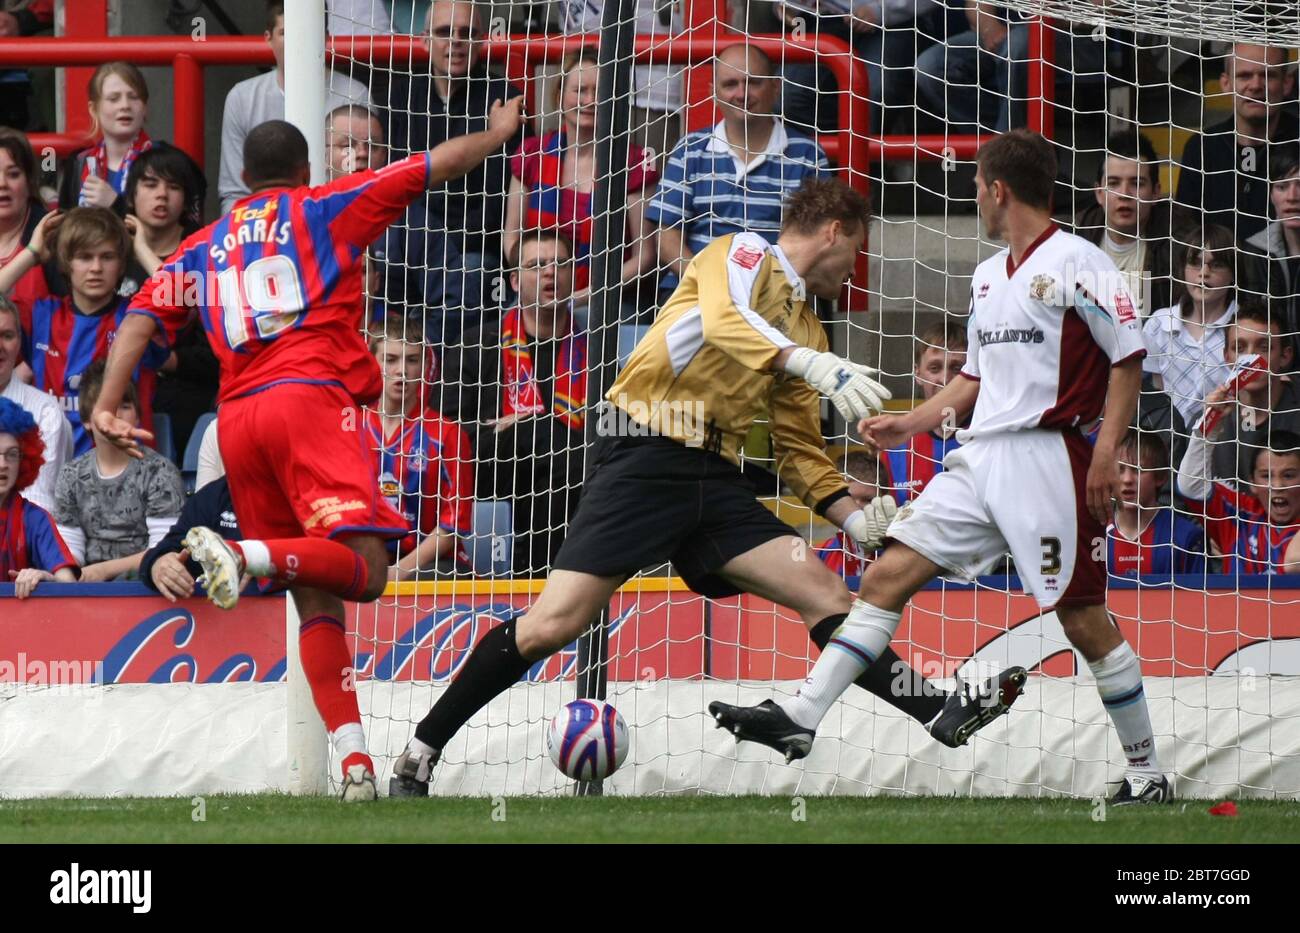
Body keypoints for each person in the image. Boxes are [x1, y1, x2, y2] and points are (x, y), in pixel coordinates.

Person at [387, 177, 1025, 798]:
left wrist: (855, 521)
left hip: (714, 482)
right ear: (835, 231)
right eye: (857, 248)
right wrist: (810, 363)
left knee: (823, 588)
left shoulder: (807, 329)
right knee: (553, 625)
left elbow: (797, 447)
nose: (855, 267)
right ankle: (422, 749)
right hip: (643, 457)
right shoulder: (742, 253)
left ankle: (935, 708)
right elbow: (725, 321)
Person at [710, 131, 1171, 806]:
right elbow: (973, 378)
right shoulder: (987, 275)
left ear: (998, 189)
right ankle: (801, 718)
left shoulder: (1083, 261)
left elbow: (1127, 357)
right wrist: (909, 423)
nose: (976, 197)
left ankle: (1147, 772)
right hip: (980, 456)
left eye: (979, 187)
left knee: (1081, 617)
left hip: (1050, 457)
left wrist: (1106, 454)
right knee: (884, 574)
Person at [92, 103, 526, 803]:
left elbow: (138, 319)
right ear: (302, 171)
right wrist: (500, 134)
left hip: (233, 422)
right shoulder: (324, 206)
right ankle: (243, 556)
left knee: (313, 594)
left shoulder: (202, 244)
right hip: (310, 403)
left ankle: (354, 765)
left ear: (241, 175)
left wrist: (108, 404)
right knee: (370, 570)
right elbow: (438, 163)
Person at [438, 229, 587, 574]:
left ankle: (536, 571)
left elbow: (615, 429)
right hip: (491, 468)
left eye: (560, 264)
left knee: (549, 445)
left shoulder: (597, 350)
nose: (551, 272)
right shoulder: (477, 343)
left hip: (568, 480)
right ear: (515, 282)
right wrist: (513, 430)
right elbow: (445, 430)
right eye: (538, 265)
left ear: (572, 275)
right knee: (537, 434)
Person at [647, 44, 828, 299]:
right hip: (697, 292)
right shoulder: (690, 149)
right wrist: (712, 286)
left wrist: (760, 292)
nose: (742, 94)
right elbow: (667, 239)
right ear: (714, 93)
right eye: (730, 84)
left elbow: (813, 242)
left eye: (753, 82)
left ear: (775, 87)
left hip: (776, 295)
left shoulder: (807, 155)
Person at [385, 0, 527, 308]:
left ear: (481, 39)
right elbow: (394, 179)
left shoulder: (505, 99)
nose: (456, 42)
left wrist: (444, 248)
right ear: (425, 39)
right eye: (445, 32)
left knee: (467, 272)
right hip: (412, 246)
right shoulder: (400, 95)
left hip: (475, 249)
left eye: (467, 32)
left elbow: (501, 196)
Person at [0, 206, 168, 456]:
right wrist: (33, 253)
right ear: (67, 263)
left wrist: (142, 250)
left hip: (127, 474)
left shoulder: (137, 317)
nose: (96, 268)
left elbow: (184, 297)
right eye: (84, 257)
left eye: (107, 256)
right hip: (50, 476)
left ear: (122, 264)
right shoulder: (41, 315)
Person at [503, 48, 659, 312]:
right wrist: (535, 284)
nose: (589, 100)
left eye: (599, 92)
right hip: (536, 299)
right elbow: (512, 238)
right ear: (560, 96)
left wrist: (584, 297)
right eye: (579, 90)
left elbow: (645, 256)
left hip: (608, 301)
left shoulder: (634, 163)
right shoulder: (531, 155)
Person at [325, 104, 471, 340]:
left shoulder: (415, 223)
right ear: (323, 153)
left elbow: (455, 303)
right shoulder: (301, 214)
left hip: (393, 365)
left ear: (384, 155)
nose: (361, 153)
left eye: (372, 146)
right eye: (348, 145)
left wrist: (408, 349)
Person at [218, 1, 371, 211]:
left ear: (325, 37)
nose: (297, 41)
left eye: (306, 31)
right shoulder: (242, 98)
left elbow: (364, 178)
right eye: (285, 33)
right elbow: (233, 192)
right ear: (268, 39)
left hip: (334, 215)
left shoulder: (354, 94)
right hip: (260, 224)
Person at [124, 146, 216, 458]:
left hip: (188, 396)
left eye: (173, 186)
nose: (161, 195)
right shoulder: (111, 249)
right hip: (123, 389)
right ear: (132, 193)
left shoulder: (205, 250)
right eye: (150, 185)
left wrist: (164, 360)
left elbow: (214, 351)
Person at [53, 361, 183, 582]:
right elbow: (69, 551)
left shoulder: (159, 472)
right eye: (106, 408)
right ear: (86, 420)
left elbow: (164, 551)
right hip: (87, 589)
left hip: (146, 585)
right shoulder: (71, 475)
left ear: (138, 416)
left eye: (124, 406)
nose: (116, 416)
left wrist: (102, 571)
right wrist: (71, 579)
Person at [364, 317, 473, 579]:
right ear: (372, 363)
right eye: (390, 359)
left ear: (425, 366)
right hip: (365, 558)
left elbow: (453, 525)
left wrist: (398, 572)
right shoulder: (349, 426)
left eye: (412, 360)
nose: (402, 370)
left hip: (431, 565)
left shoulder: (446, 433)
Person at [1175, 43, 1300, 243]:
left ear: (1287, 83)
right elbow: (1185, 231)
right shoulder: (1201, 148)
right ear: (1226, 83)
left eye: (1267, 75)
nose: (1256, 85)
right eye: (1244, 76)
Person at [1071, 130, 1180, 317]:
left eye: (1137, 183)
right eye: (1113, 183)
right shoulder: (1074, 236)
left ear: (1156, 193)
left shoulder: (1179, 246)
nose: (1124, 194)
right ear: (1099, 193)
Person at [1141, 226, 1238, 428]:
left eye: (1216, 265)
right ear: (1182, 270)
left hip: (1224, 438)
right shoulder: (1158, 324)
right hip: (1168, 440)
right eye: (1195, 263)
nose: (1203, 274)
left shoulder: (1244, 328)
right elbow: (1157, 393)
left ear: (1233, 274)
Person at [1178, 429, 1300, 574]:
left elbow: (1293, 563)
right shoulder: (1239, 515)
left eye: (1289, 475)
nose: (1278, 486)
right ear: (1252, 482)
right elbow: (1191, 485)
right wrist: (1211, 422)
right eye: (1266, 476)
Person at [1203, 306, 1300, 485]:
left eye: (1263, 347)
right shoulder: (1210, 419)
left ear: (1285, 356)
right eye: (1239, 348)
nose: (1251, 359)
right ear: (1227, 357)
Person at [880, 319, 965, 505]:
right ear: (917, 374)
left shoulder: (989, 437)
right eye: (934, 368)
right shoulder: (895, 447)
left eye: (957, 368)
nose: (945, 379)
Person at [0, 397, 77, 599]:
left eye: (12, 454)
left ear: (24, 460)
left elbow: (69, 584)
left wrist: (44, 578)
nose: (3, 464)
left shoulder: (34, 518)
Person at [0, 297, 71, 513]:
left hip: (19, 538)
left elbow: (37, 499)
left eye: (7, 336)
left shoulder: (44, 411)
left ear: (19, 342)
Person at [1107, 428, 1205, 578]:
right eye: (1120, 470)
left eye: (1138, 470)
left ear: (1160, 477)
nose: (1127, 479)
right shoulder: (1094, 536)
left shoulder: (1185, 536)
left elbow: (1200, 598)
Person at [58, 62, 154, 214]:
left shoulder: (165, 162)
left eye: (134, 97)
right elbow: (65, 229)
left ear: (145, 107)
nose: (125, 105)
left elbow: (179, 231)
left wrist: (115, 204)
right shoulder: (79, 163)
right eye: (114, 98)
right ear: (93, 109)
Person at [1240, 154, 1300, 365]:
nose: (1292, 196)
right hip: (1272, 379)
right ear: (1272, 194)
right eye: (1282, 186)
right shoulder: (1254, 251)